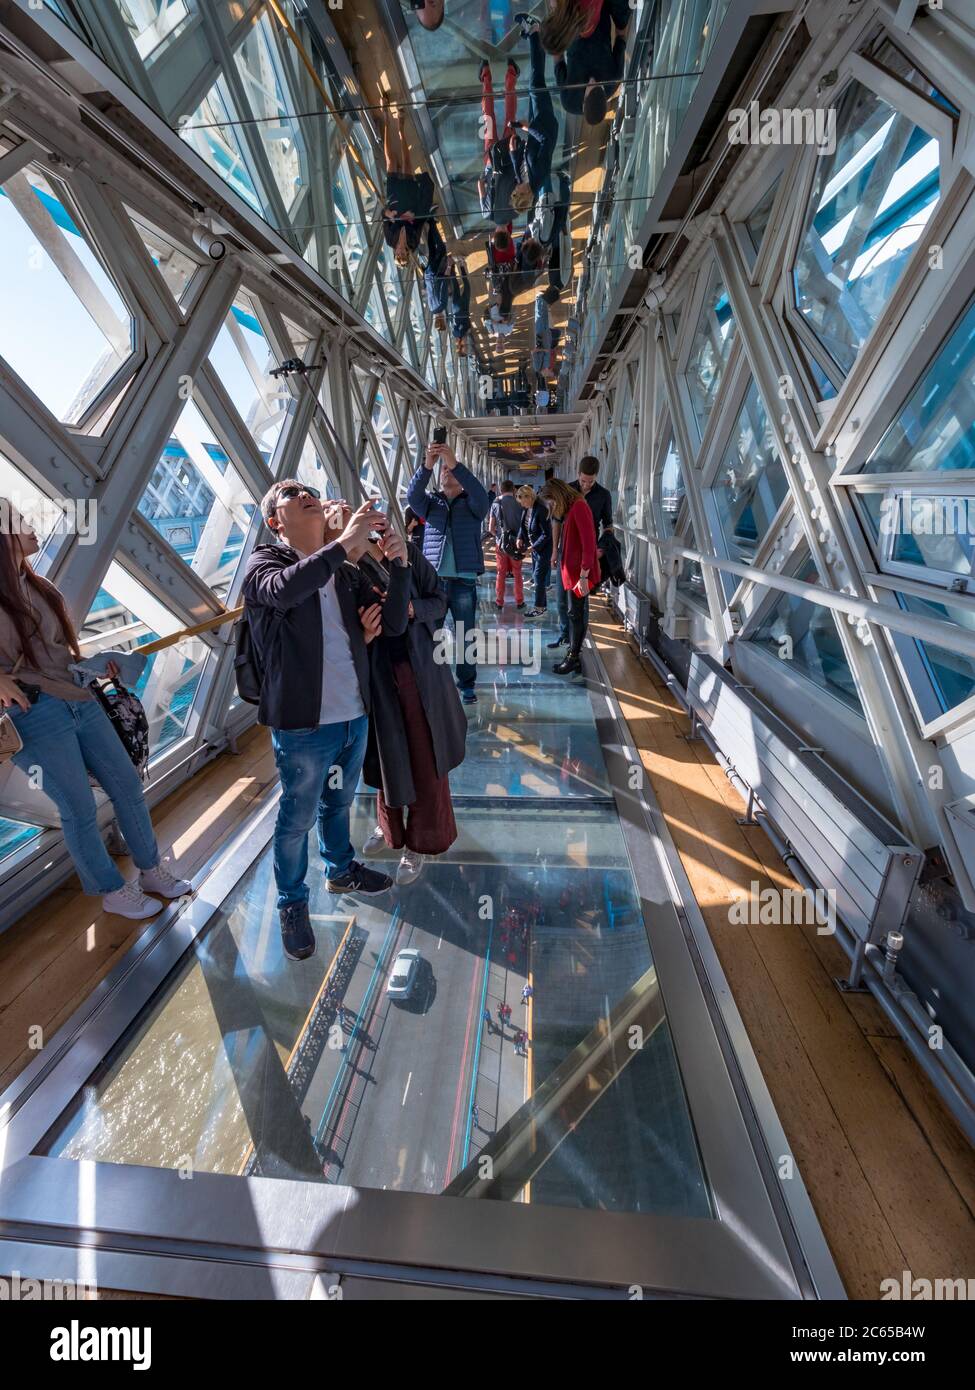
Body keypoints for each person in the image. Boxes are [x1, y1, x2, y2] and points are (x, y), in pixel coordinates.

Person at [0, 504, 191, 920]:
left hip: (79, 699)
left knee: (126, 785)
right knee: (78, 808)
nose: (32, 527)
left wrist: (93, 663)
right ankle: (110, 889)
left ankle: (151, 870)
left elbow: (54, 651)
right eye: (21, 522)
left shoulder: (37, 585)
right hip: (32, 714)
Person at [243, 483, 406, 961]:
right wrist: (342, 544)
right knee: (295, 820)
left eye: (311, 489)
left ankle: (340, 868)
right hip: (304, 725)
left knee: (337, 805)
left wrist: (397, 562)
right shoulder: (265, 563)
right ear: (277, 521)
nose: (307, 493)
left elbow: (392, 624)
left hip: (353, 714)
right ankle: (292, 903)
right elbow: (282, 592)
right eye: (292, 493)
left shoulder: (345, 572)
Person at [356, 526, 467, 885]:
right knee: (387, 758)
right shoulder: (343, 567)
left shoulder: (405, 552)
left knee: (426, 757)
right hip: (376, 675)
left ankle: (420, 841)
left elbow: (440, 599)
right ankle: (391, 829)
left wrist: (411, 609)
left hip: (418, 672)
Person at [407, 441, 489, 705]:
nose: (446, 472)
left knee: (466, 637)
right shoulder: (430, 504)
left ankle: (466, 683)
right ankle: (432, 682)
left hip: (464, 581)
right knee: (432, 635)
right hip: (435, 584)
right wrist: (428, 464)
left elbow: (479, 491)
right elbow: (412, 495)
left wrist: (454, 462)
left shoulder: (474, 505)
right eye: (443, 471)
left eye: (450, 470)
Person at [538, 478, 599, 675]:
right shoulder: (573, 507)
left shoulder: (579, 507)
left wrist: (583, 576)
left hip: (579, 573)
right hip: (572, 572)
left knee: (576, 614)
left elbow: (589, 545)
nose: (552, 507)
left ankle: (574, 657)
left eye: (552, 502)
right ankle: (573, 654)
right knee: (573, 613)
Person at [541, 0, 630, 125]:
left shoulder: (569, 101)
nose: (592, 80)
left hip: (571, 25)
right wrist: (621, 15)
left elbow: (558, 63)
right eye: (598, 83)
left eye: (589, 85)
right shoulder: (614, 78)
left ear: (583, 102)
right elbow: (621, 36)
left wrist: (557, 34)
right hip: (598, 15)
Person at [478, 58, 534, 231]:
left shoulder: (517, 212)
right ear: (495, 234)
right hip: (490, 158)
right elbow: (480, 184)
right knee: (488, 115)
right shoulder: (487, 214)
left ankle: (511, 72)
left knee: (511, 116)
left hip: (510, 154)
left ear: (509, 230)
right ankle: (485, 74)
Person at [380, 100, 436, 267]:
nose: (400, 250)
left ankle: (386, 119)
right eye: (403, 253)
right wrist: (412, 216)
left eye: (398, 254)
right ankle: (400, 127)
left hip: (395, 197)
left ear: (395, 253)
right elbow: (420, 222)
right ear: (408, 253)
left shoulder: (390, 240)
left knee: (390, 161)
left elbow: (382, 217)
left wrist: (388, 215)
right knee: (406, 161)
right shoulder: (413, 241)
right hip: (410, 199)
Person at [490, 480, 526, 611]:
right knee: (517, 572)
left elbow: (491, 529)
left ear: (500, 490)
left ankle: (499, 602)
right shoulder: (520, 503)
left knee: (501, 573)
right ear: (514, 490)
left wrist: (499, 537)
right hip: (517, 542)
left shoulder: (495, 503)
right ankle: (520, 601)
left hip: (501, 544)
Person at [516, 484, 552, 617]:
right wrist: (520, 537)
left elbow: (547, 534)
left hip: (543, 549)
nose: (522, 504)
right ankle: (543, 606)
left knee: (538, 578)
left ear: (529, 497)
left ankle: (539, 607)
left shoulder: (541, 509)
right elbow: (523, 525)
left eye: (523, 501)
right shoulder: (527, 509)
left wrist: (533, 547)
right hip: (535, 549)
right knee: (538, 577)